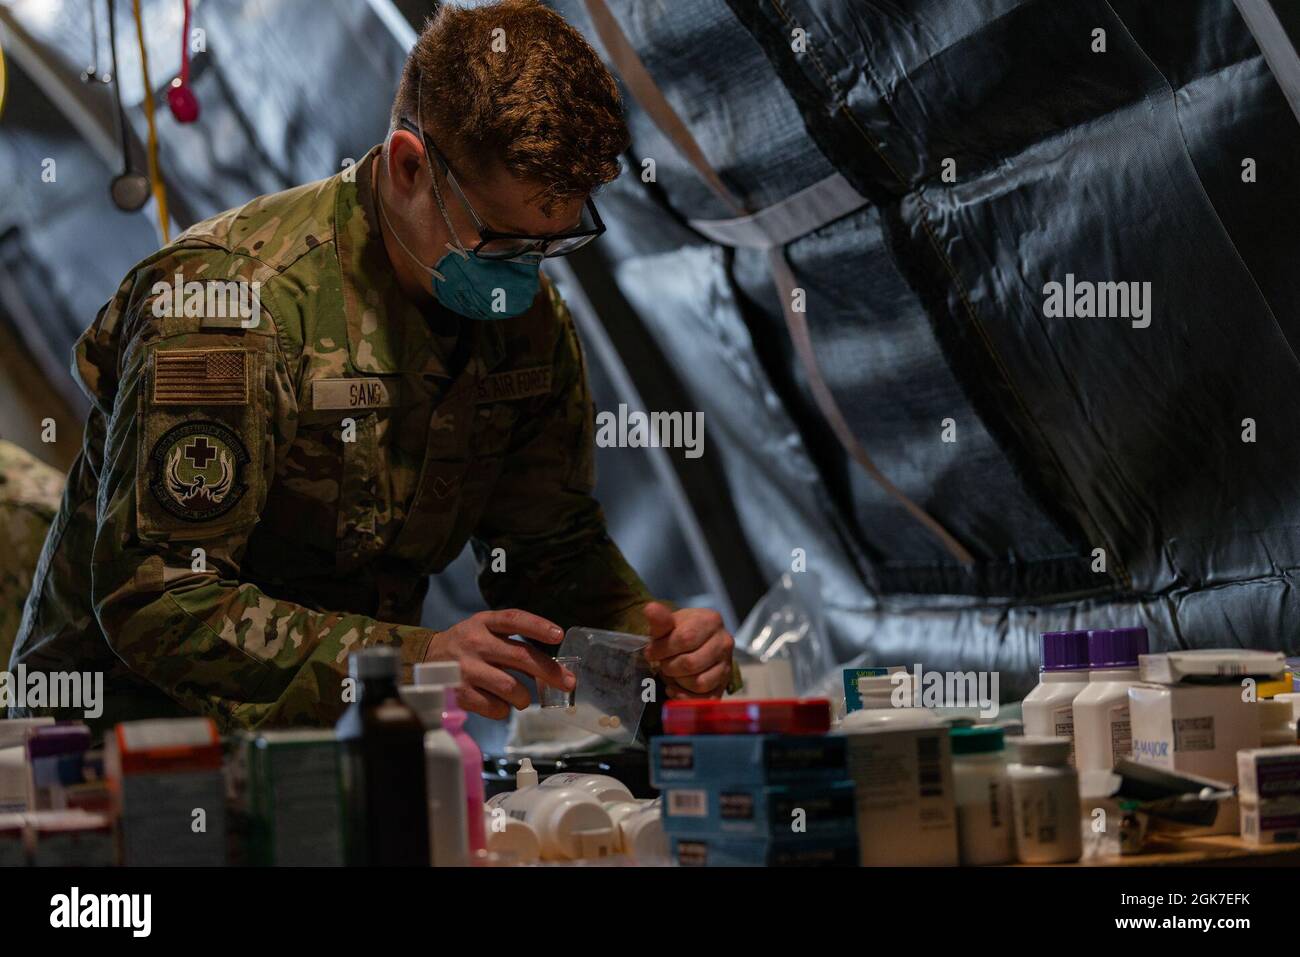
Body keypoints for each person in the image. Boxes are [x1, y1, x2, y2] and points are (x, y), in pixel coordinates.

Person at [9, 0, 736, 733]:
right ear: (408, 166)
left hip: (332, 745)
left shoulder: (520, 327)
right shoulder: (229, 305)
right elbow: (156, 599)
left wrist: (655, 654)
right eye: (500, 240)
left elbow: (553, 557)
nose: (526, 275)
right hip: (115, 759)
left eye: (554, 244)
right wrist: (413, 660)